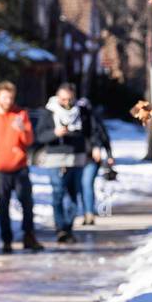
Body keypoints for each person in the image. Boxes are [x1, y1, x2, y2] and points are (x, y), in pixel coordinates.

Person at [0, 81, 43, 253]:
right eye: (5, 97)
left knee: (27, 203)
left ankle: (29, 236)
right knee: (3, 205)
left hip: (20, 167)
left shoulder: (20, 114)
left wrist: (23, 130)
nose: (9, 101)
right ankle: (7, 240)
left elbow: (29, 141)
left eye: (11, 98)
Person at [31, 83, 87, 244]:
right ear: (57, 97)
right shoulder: (48, 112)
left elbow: (90, 132)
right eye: (63, 99)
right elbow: (40, 136)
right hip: (55, 157)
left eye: (69, 99)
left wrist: (94, 147)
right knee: (58, 192)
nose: (66, 103)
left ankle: (68, 227)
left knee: (73, 194)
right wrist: (54, 133)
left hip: (76, 156)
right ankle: (60, 228)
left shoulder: (81, 112)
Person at [75, 95, 115, 227]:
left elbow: (103, 137)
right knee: (80, 186)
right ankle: (84, 212)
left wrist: (108, 154)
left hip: (92, 157)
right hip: (77, 157)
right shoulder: (73, 120)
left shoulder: (95, 121)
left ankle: (89, 213)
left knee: (86, 184)